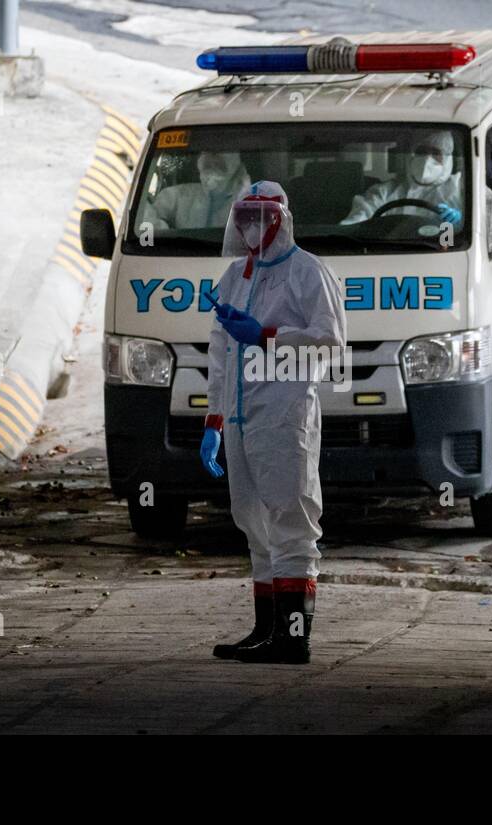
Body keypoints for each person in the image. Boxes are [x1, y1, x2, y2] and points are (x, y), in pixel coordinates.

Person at [199, 181, 347, 665]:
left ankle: (293, 637)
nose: (251, 226)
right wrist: (214, 421)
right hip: (242, 418)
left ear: (282, 218)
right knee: (253, 522)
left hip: (285, 415)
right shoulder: (235, 276)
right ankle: (266, 631)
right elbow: (220, 353)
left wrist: (266, 336)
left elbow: (330, 341)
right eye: (244, 216)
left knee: (291, 520)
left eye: (261, 216)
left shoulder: (308, 272)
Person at [340, 130, 463, 226]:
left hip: (440, 253)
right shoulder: (385, 192)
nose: (427, 159)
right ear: (411, 155)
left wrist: (462, 222)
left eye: (436, 153)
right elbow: (358, 220)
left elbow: (473, 227)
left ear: (447, 160)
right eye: (421, 151)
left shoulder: (458, 188)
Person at [136, 151, 250, 230]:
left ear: (235, 171)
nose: (212, 171)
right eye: (208, 165)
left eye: (218, 165)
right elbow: (145, 225)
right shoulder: (176, 195)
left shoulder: (249, 202)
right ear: (199, 166)